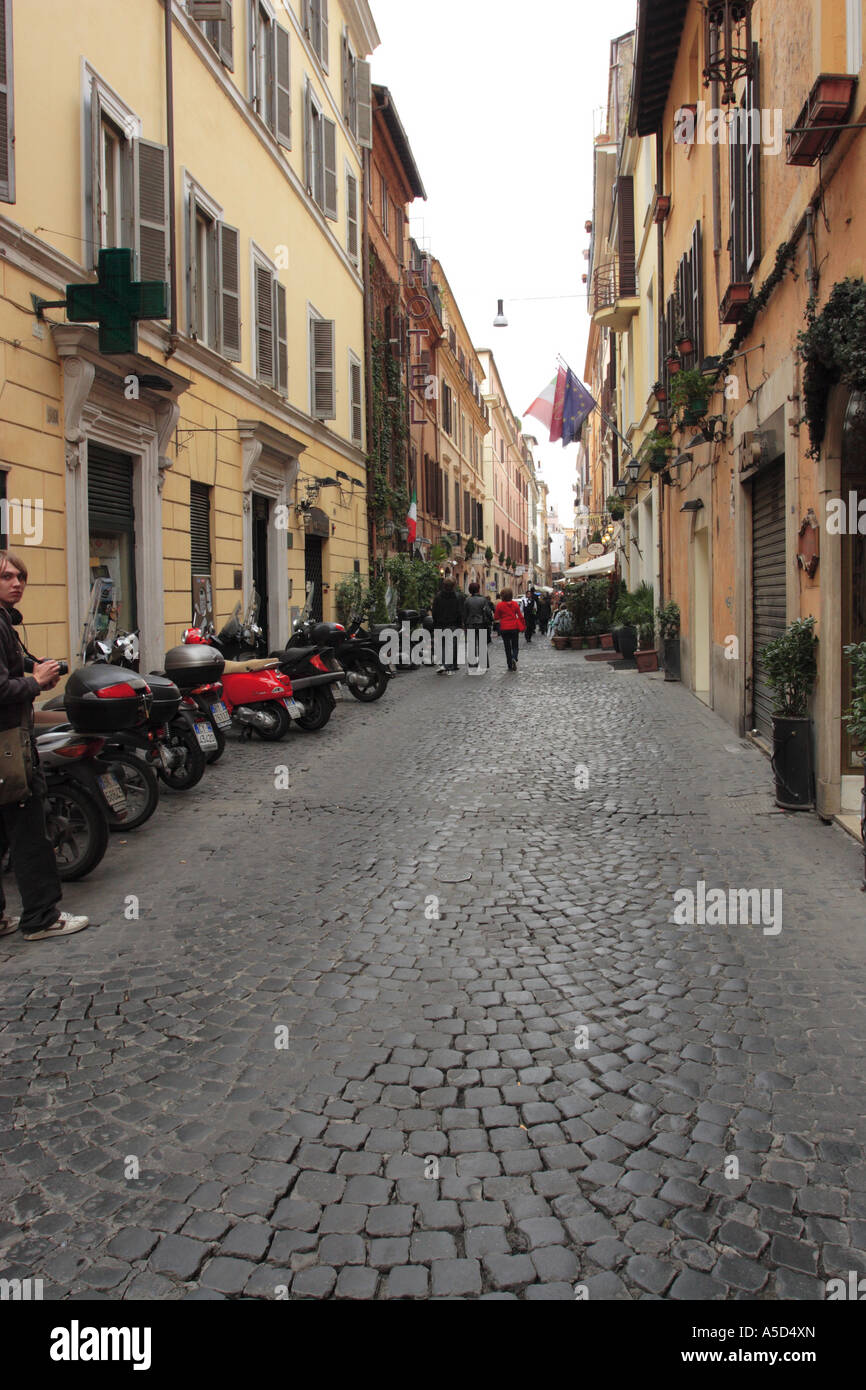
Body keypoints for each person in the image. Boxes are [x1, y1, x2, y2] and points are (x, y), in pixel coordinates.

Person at [0, 551, 89, 941]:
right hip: (7, 745)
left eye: (20, 576)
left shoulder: (6, 622)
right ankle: (41, 918)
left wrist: (37, 673)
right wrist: (35, 682)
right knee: (28, 831)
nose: (16, 583)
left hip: (7, 741)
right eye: (6, 577)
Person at [431, 577, 462, 674]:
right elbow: (460, 612)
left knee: (442, 645)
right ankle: (448, 665)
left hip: (440, 624)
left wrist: (436, 622)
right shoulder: (458, 597)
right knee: (451, 646)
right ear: (454, 586)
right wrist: (460, 624)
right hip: (453, 624)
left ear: (444, 585)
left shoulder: (438, 597)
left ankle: (444, 664)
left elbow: (434, 612)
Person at [494, 587, 525, 672]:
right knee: (515, 645)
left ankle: (509, 664)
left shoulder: (500, 605)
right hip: (514, 627)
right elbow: (520, 615)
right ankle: (514, 657)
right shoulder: (515, 604)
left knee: (507, 647)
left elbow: (496, 617)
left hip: (504, 627)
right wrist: (523, 625)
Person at [463, 581, 494, 646]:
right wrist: (491, 620)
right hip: (481, 624)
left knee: (472, 645)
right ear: (478, 590)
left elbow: (465, 614)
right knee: (482, 645)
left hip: (470, 624)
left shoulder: (467, 600)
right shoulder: (483, 600)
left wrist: (464, 624)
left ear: (469, 590)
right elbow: (488, 612)